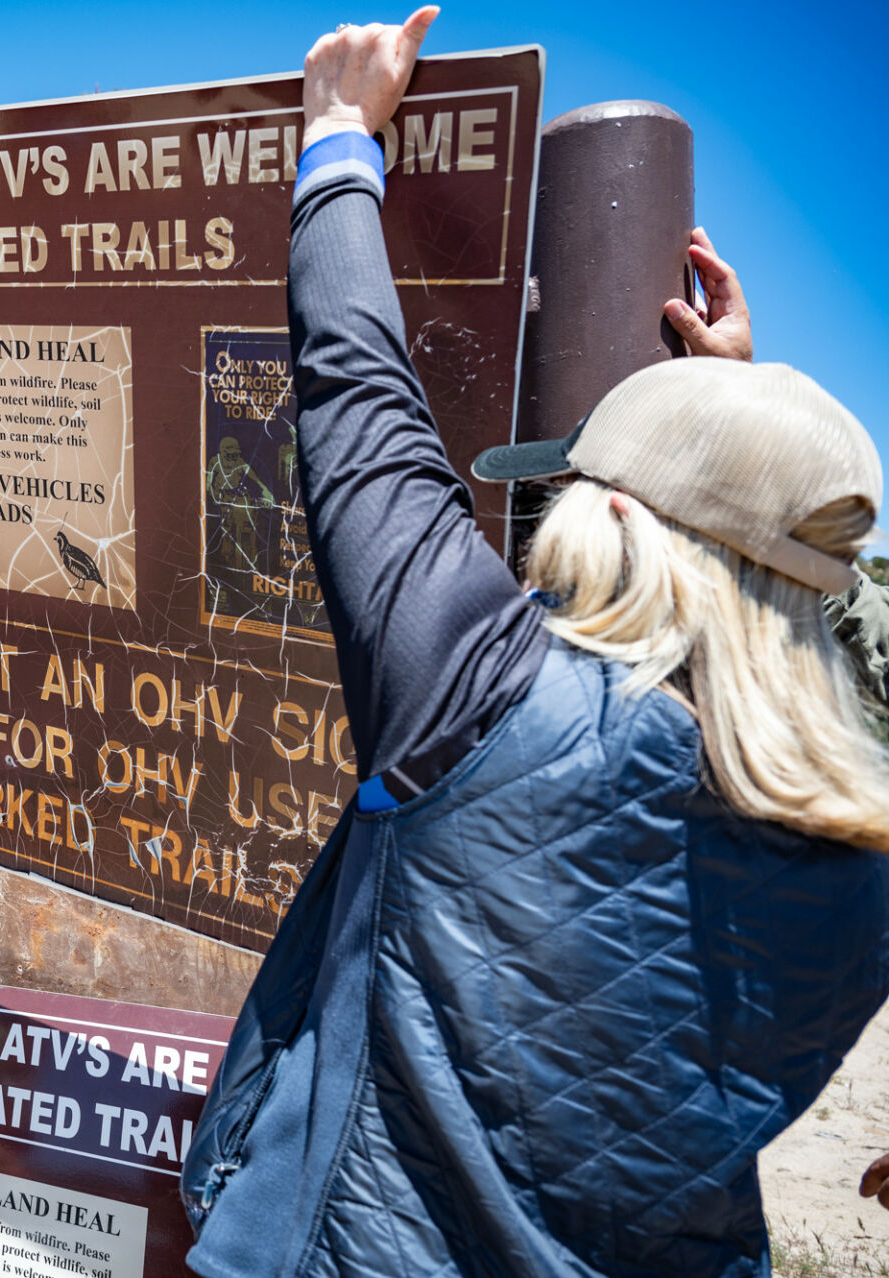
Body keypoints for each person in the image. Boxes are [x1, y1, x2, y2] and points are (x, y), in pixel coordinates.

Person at [180, 11, 889, 1275]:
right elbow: (771, 586)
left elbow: (361, 407)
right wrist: (738, 427)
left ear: (618, 515)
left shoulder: (480, 691)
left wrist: (339, 141)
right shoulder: (863, 864)